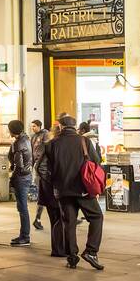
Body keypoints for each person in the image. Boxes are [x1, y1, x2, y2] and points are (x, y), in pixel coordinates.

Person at [41, 115, 103, 270]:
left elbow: (41, 168)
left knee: (69, 223)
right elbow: (96, 161)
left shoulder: (51, 144)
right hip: (83, 189)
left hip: (63, 191)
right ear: (75, 127)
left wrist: (55, 182)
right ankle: (91, 251)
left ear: (61, 127)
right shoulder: (84, 141)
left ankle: (72, 257)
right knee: (96, 217)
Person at [34, 124, 66, 258]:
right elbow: (40, 167)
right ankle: (58, 249)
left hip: (50, 188)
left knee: (57, 219)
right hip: (52, 189)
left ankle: (59, 248)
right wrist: (52, 181)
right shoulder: (51, 145)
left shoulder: (53, 145)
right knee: (57, 218)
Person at [7, 119, 33, 247]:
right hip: (28, 176)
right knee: (23, 207)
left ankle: (25, 237)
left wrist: (12, 179)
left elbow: (19, 165)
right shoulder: (27, 139)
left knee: (22, 208)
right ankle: (24, 235)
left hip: (21, 178)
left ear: (12, 130)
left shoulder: (18, 144)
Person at [29, 120, 48, 231]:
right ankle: (38, 218)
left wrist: (38, 163)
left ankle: (38, 218)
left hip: (44, 167)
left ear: (40, 126)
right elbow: (33, 152)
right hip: (38, 167)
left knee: (44, 193)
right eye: (32, 126)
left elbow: (45, 151)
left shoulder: (45, 135)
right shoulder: (33, 137)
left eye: (35, 126)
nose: (33, 128)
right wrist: (32, 165)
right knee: (43, 193)